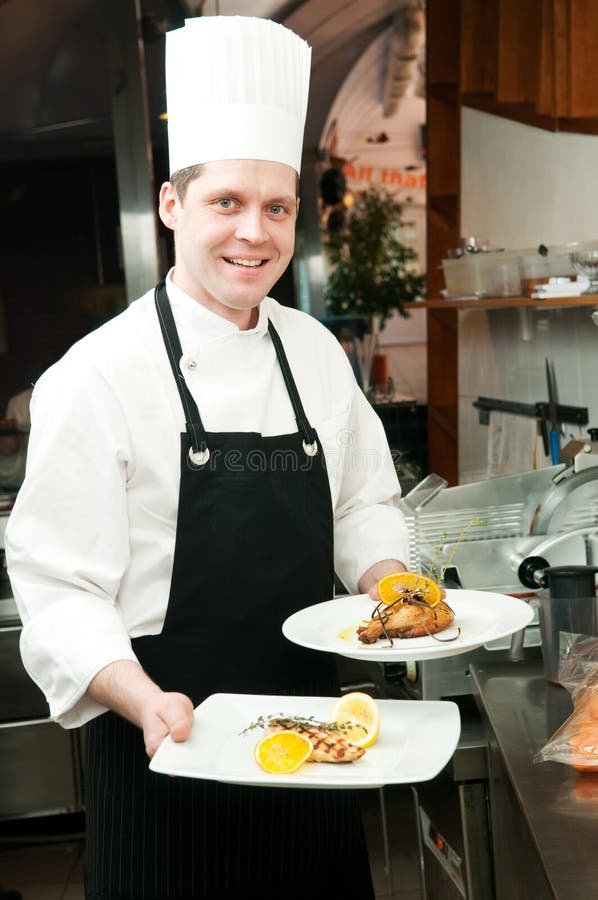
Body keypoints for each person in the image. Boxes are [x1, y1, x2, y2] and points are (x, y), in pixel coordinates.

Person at [5, 16, 409, 900]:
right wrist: (140, 700)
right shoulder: (97, 376)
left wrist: (391, 586)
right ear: (171, 205)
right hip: (164, 746)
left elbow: (360, 504)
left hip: (315, 739)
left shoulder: (313, 353)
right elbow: (60, 589)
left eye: (275, 207)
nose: (252, 235)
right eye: (226, 202)